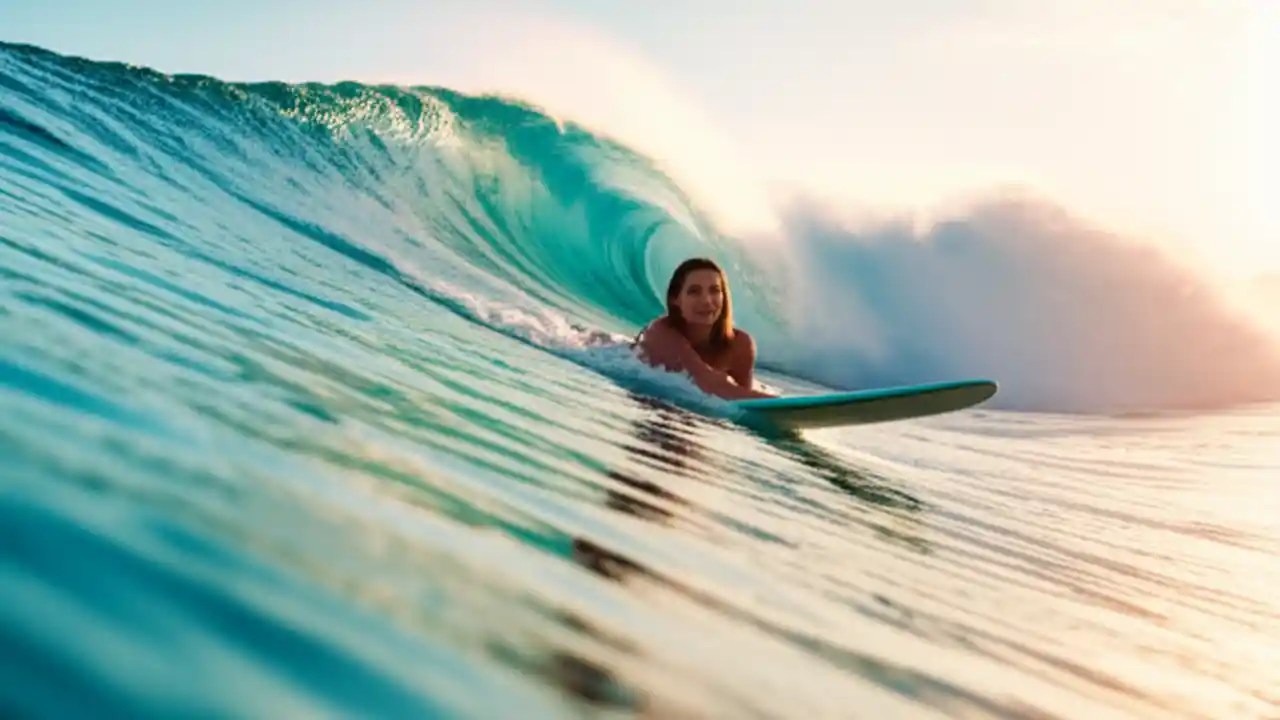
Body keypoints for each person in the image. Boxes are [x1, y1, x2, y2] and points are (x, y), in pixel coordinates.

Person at [633, 258, 777, 400]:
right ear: (675, 299)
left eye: (715, 291)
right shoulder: (661, 333)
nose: (707, 301)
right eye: (694, 291)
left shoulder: (740, 345)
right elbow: (707, 383)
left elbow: (746, 403)